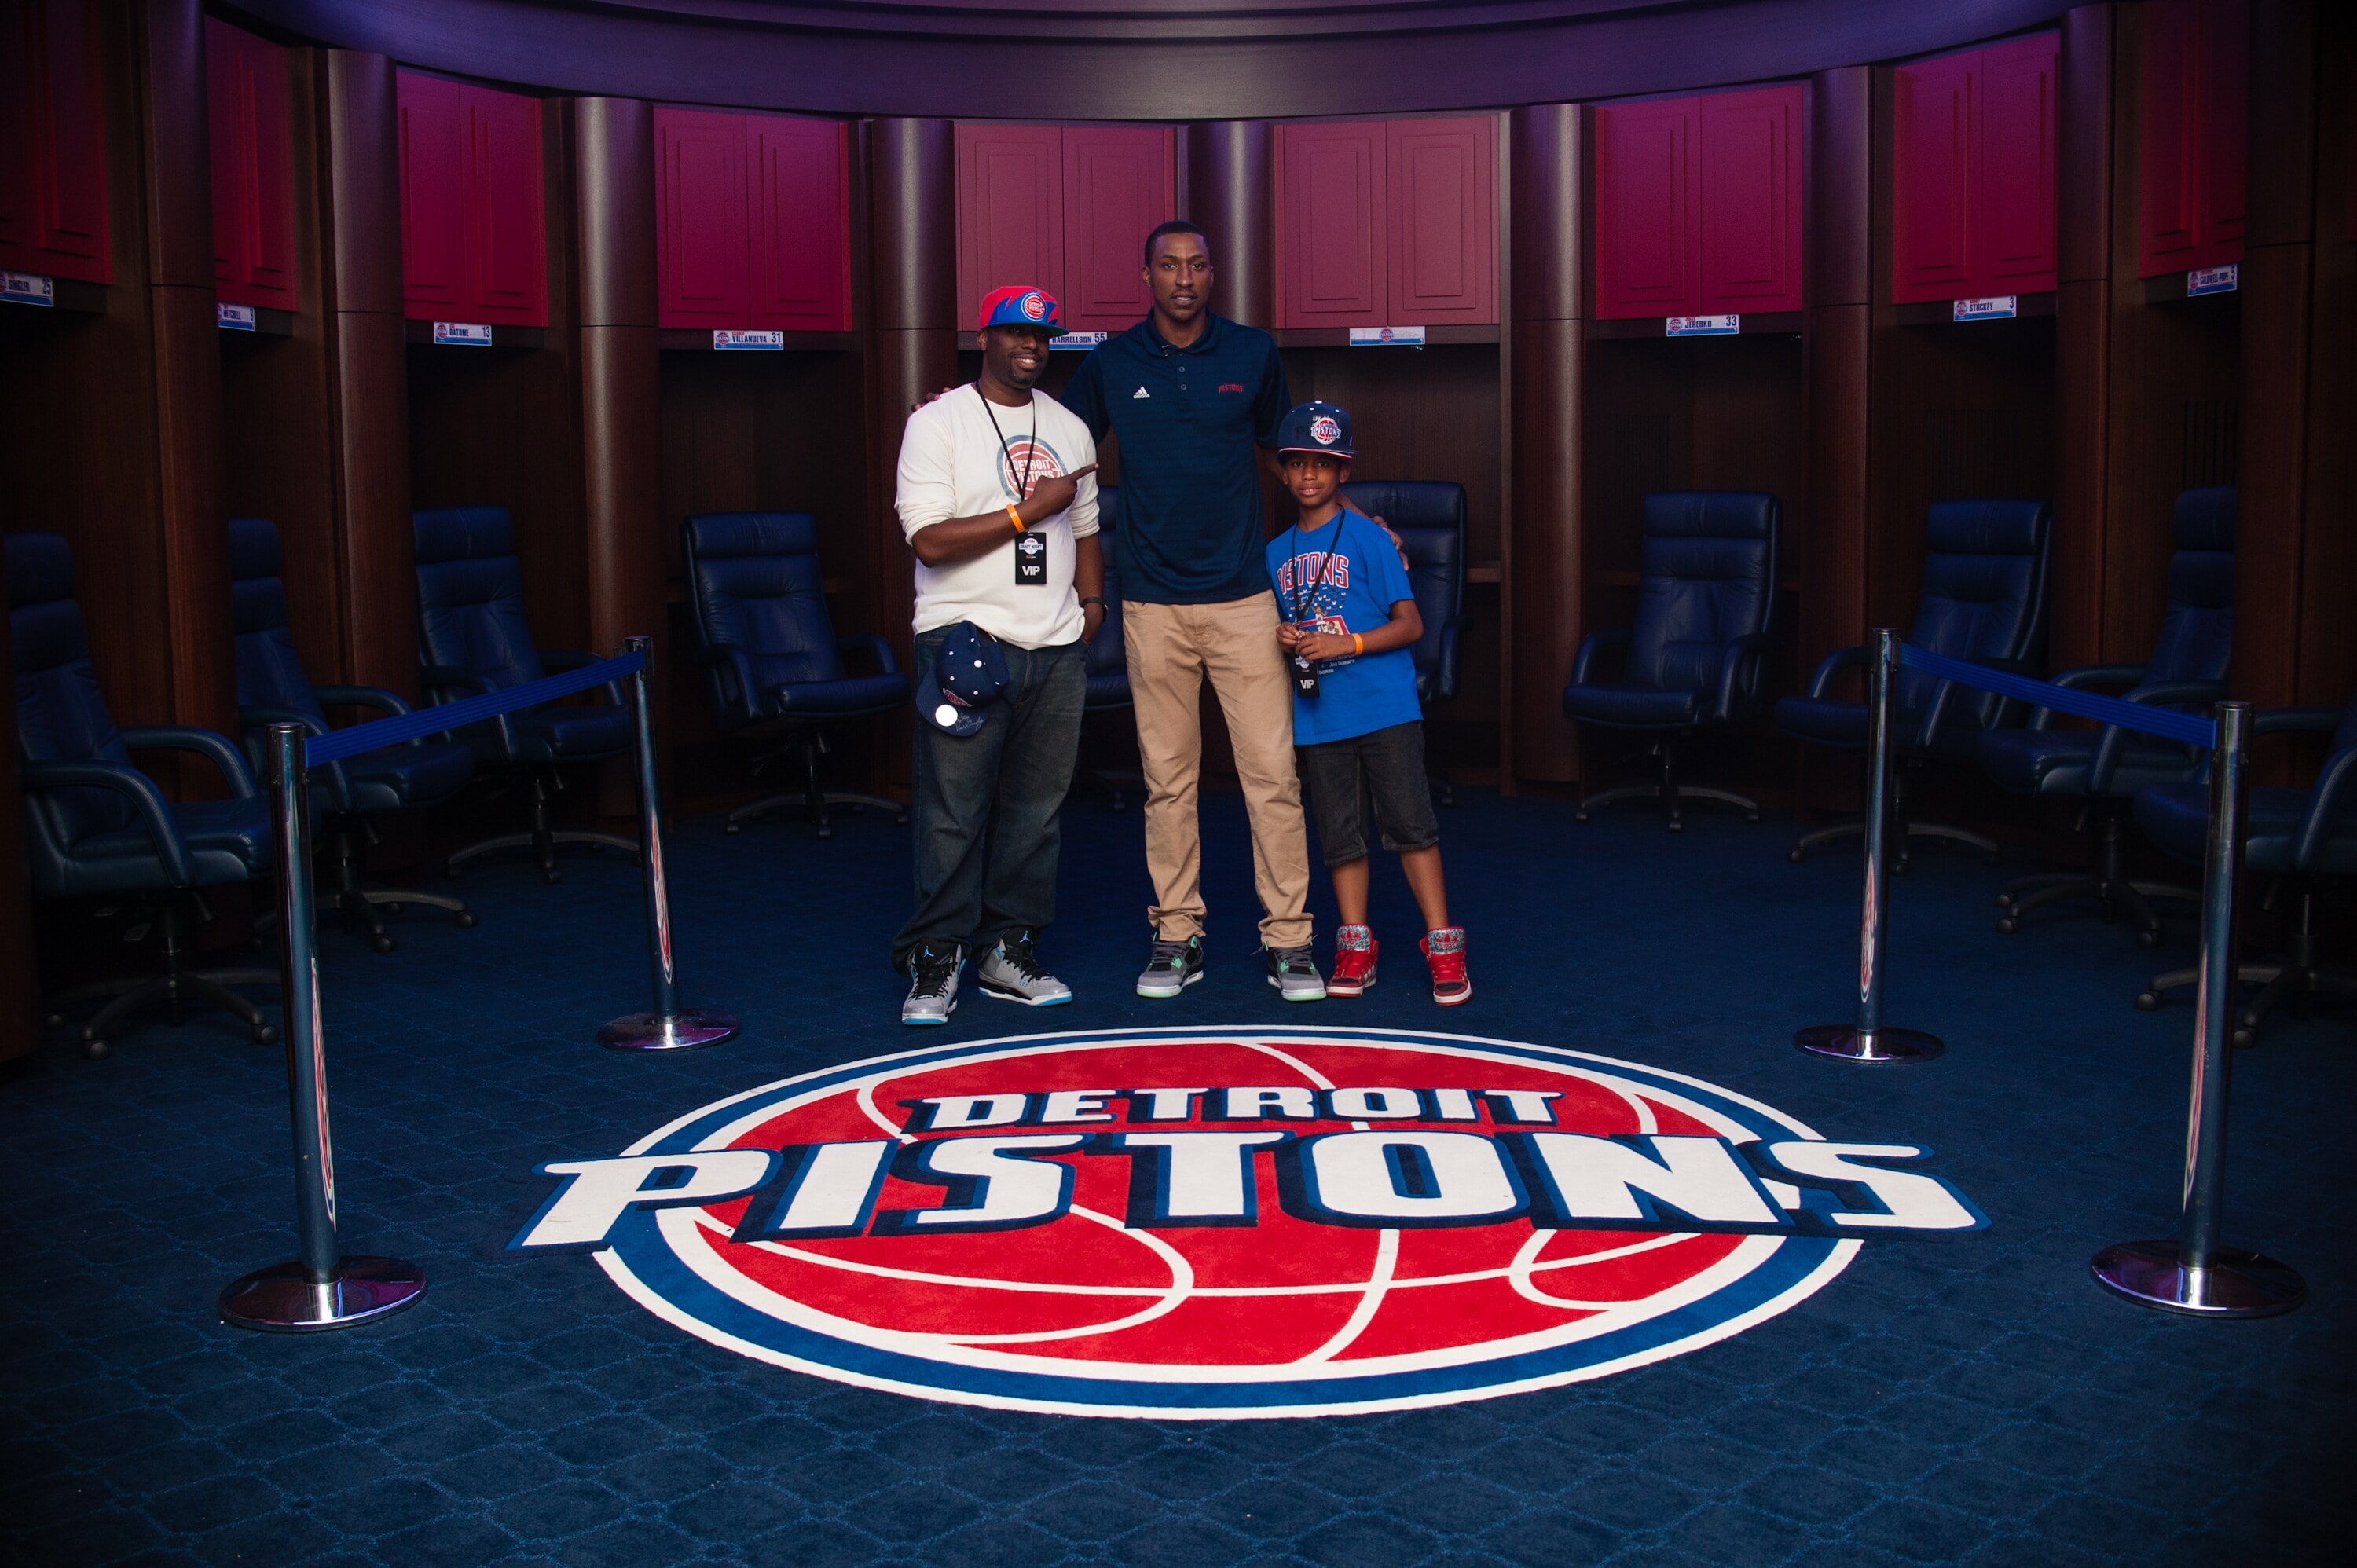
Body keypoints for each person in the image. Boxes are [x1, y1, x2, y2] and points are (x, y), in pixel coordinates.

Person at [1058, 219, 1325, 1002]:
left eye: (1198, 265)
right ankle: (1177, 934)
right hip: (1151, 603)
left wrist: (1353, 526)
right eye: (1169, 265)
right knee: (1167, 782)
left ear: (1214, 275)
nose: (1184, 277)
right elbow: (1058, 448)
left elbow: (1294, 461)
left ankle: (1290, 941)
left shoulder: (1254, 352)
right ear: (1146, 276)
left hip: (1245, 597)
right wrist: (969, 423)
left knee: (1271, 777)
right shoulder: (1111, 362)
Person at [889, 285, 1105, 1025]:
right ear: (984, 338)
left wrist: (1093, 610)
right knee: (954, 814)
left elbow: (1086, 529)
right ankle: (936, 955)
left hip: (1054, 645)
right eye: (1016, 332)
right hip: (964, 636)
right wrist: (1024, 512)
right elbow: (928, 541)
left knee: (1035, 815)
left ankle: (1007, 948)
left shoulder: (1073, 429)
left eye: (1044, 337)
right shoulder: (936, 423)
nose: (1032, 347)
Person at [1265, 401, 1471, 1006]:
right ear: (1283, 472)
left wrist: (1346, 642)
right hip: (1320, 712)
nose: (1309, 476)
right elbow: (1291, 625)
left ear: (1343, 474)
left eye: (1323, 466)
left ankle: (1442, 942)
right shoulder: (1275, 554)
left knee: (1410, 825)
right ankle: (1356, 945)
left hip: (1384, 707)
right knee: (1341, 835)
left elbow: (1410, 624)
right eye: (1298, 464)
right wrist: (1287, 638)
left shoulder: (1370, 539)